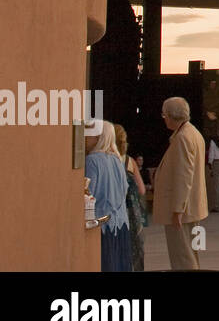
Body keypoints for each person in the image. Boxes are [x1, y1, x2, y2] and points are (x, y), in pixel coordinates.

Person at [154, 96, 209, 270]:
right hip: (192, 208)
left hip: (182, 211)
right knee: (191, 253)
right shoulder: (193, 133)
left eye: (164, 115)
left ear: (170, 116)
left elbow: (183, 176)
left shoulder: (183, 138)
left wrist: (177, 209)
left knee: (182, 258)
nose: (164, 119)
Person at [84, 121, 132, 272]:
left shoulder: (92, 160)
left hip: (102, 225)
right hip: (121, 223)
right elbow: (125, 189)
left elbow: (89, 192)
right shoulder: (116, 159)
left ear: (98, 137)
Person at [114, 123, 148, 271]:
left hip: (115, 212)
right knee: (135, 248)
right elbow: (141, 190)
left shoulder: (107, 160)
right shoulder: (130, 161)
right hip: (132, 214)